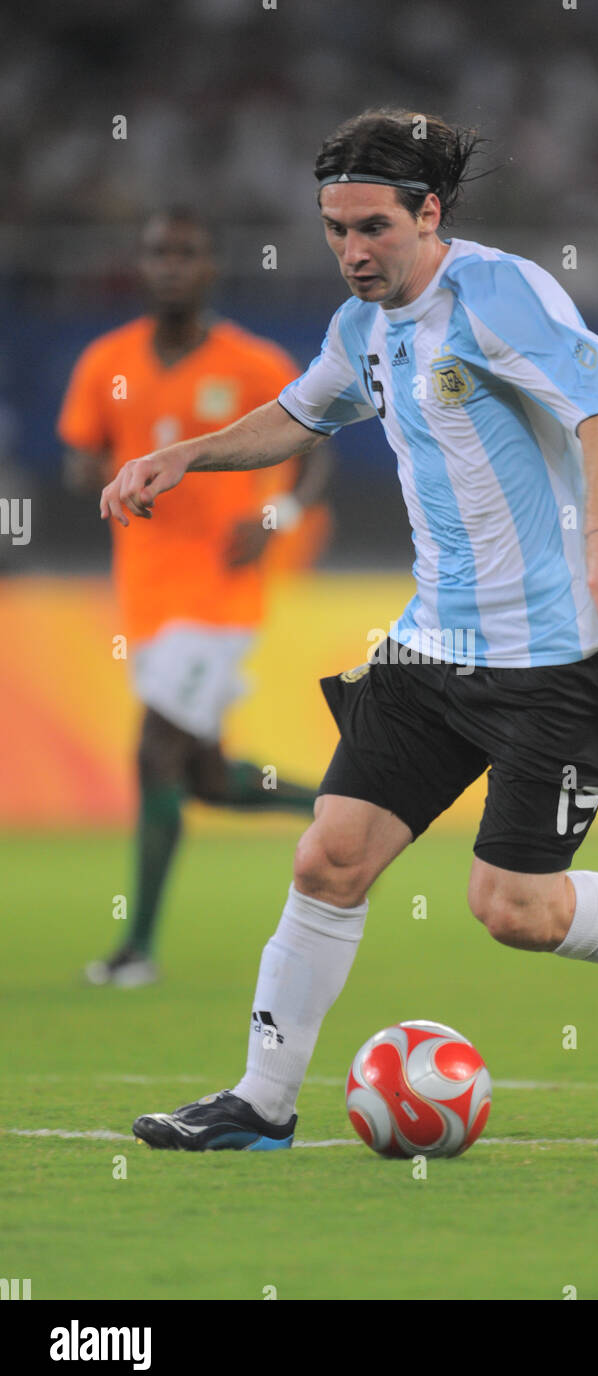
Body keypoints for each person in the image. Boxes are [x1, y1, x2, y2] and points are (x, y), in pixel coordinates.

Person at [100, 111, 598, 1150]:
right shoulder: (360, 328)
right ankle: (260, 1103)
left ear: (428, 213)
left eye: (373, 228)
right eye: (334, 229)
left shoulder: (498, 293)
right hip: (430, 649)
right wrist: (187, 455)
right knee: (328, 858)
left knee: (513, 909)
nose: (353, 251)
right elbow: (299, 413)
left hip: (556, 657)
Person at [59, 207, 330, 987]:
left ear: (211, 268)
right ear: (140, 266)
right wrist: (106, 474)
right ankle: (348, 805)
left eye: (187, 253)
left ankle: (135, 949)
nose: (172, 266)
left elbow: (317, 447)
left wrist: (276, 516)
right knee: (205, 777)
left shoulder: (251, 362)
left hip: (220, 597)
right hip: (143, 597)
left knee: (153, 754)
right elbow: (82, 458)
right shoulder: (105, 361)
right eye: (158, 254)